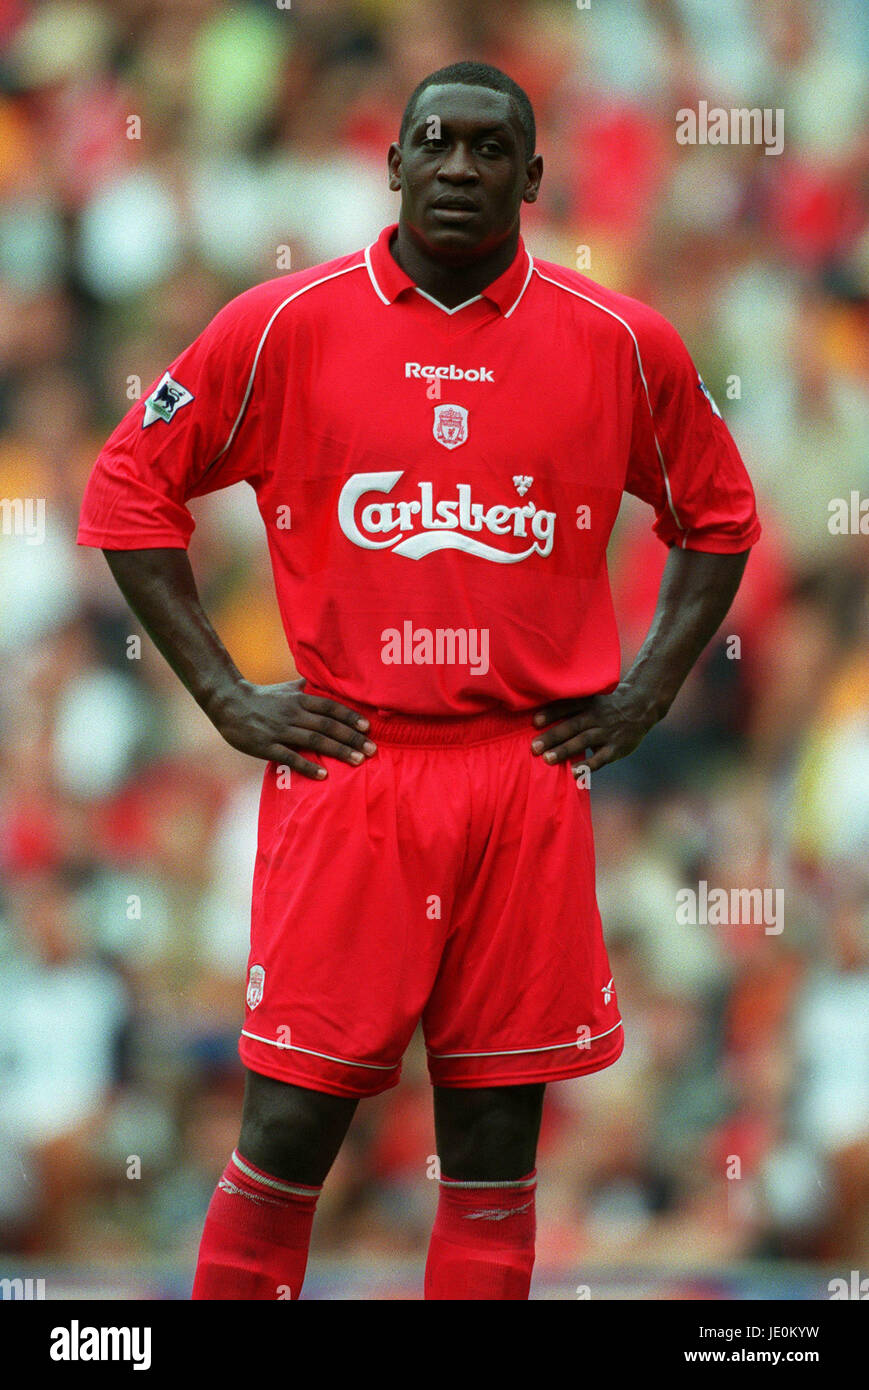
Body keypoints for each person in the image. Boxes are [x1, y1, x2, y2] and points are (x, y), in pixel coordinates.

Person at [76, 61, 761, 1300]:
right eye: (433, 143)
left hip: (523, 773)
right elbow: (127, 490)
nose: (458, 166)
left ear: (534, 178)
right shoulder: (285, 322)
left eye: (489, 149)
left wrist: (647, 690)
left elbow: (717, 516)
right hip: (355, 766)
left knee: (492, 1154)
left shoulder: (617, 343)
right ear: (390, 163)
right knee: (287, 1134)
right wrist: (228, 696)